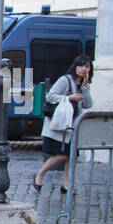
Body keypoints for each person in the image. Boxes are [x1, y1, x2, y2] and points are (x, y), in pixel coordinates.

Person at [35, 55, 93, 194]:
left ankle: (66, 185)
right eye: (81, 66)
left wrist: (85, 88)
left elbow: (88, 104)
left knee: (72, 156)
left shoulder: (83, 85)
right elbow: (50, 96)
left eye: (87, 66)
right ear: (75, 66)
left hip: (74, 126)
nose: (83, 69)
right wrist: (68, 98)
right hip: (61, 125)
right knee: (61, 155)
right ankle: (39, 175)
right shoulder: (65, 80)